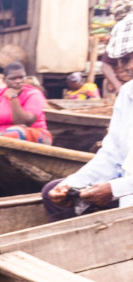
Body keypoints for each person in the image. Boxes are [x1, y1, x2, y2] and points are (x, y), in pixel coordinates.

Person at [43, 15, 133, 220]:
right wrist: (72, 184)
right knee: (53, 191)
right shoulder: (128, 94)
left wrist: (115, 188)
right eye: (124, 60)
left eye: (131, 58)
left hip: (127, 191)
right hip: (126, 190)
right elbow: (112, 156)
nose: (128, 67)